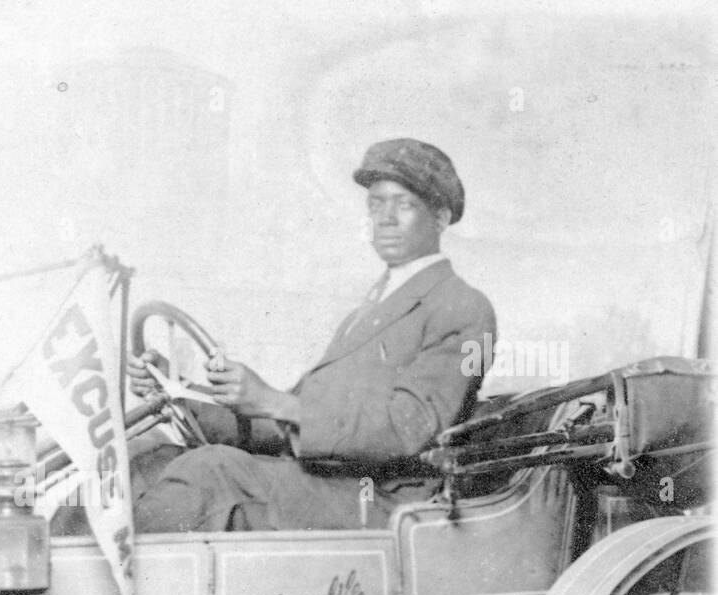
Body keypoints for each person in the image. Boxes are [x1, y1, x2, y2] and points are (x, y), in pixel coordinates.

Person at [129, 138, 496, 533]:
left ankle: (109, 591)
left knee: (211, 473)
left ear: (440, 218)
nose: (385, 218)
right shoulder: (369, 311)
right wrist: (179, 390)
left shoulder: (464, 307)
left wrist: (272, 401)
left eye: (404, 204)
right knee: (144, 461)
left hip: (385, 501)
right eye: (376, 203)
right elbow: (285, 425)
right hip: (330, 483)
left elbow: (408, 429)